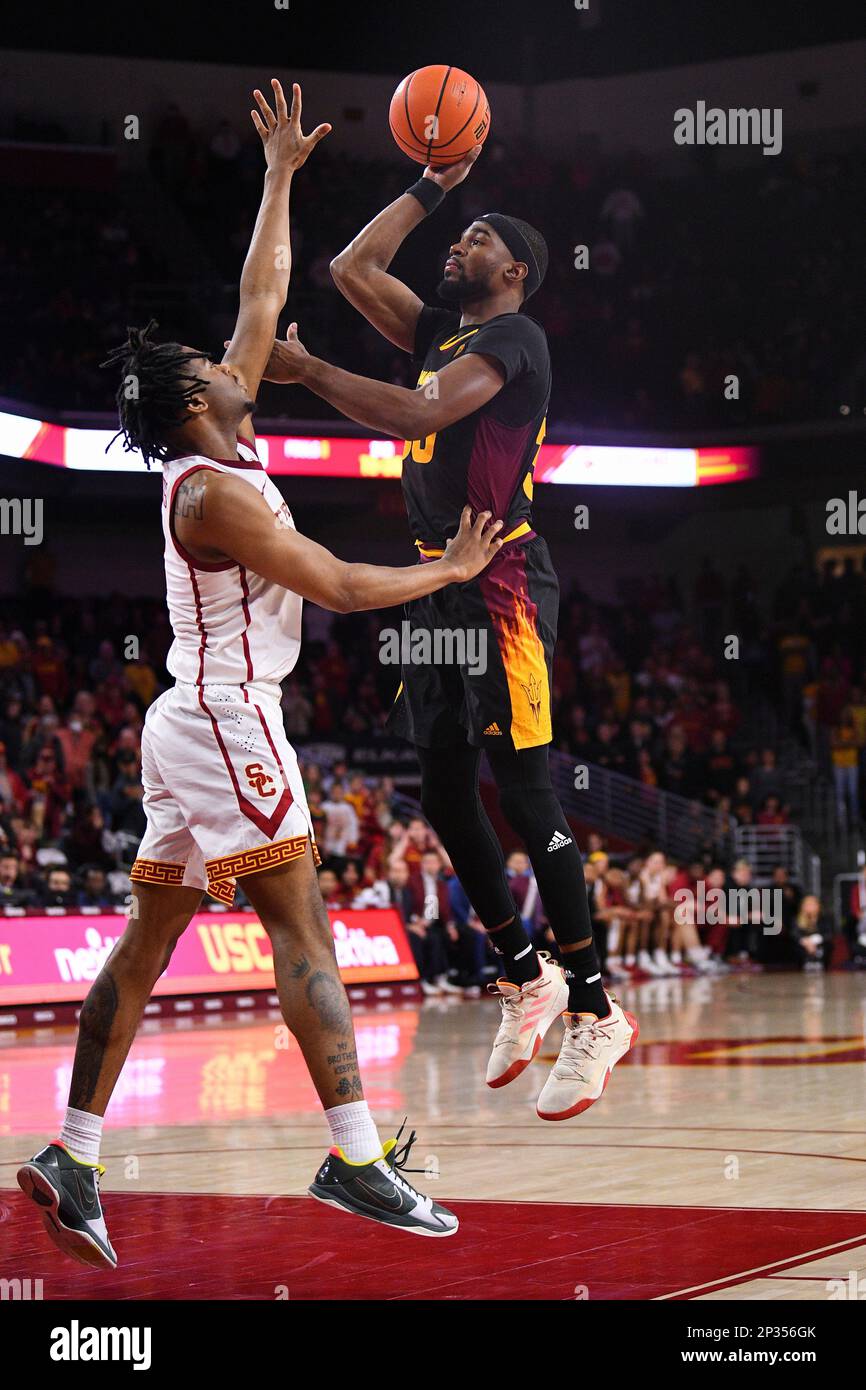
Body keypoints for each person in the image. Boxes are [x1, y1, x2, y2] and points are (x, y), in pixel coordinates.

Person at [17, 80, 506, 1267]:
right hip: (230, 718)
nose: (235, 357)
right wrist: (441, 573)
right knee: (304, 934)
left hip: (191, 720)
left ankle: (69, 1152)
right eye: (212, 364)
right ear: (197, 400)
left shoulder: (213, 437)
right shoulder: (221, 492)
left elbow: (259, 294)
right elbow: (335, 584)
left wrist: (280, 174)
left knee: (143, 947)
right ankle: (350, 1154)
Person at [262, 143, 637, 1121]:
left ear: (511, 271)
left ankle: (596, 1008)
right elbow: (348, 269)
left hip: (503, 581)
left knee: (521, 785)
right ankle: (524, 975)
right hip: (437, 583)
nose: (459, 242)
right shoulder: (438, 326)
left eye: (476, 235)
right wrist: (433, 185)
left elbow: (416, 412)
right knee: (437, 787)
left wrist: (305, 371)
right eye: (461, 229)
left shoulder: (517, 342)